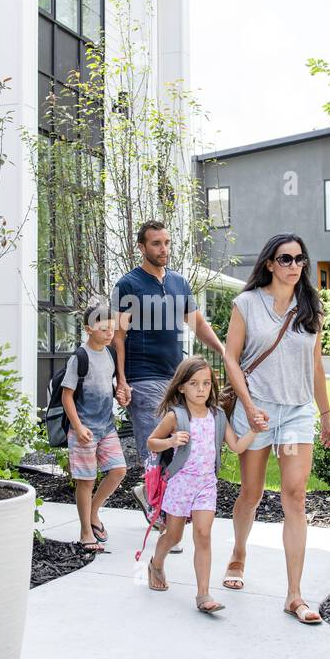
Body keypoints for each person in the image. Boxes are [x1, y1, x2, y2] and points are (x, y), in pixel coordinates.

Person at [221, 234, 330, 623]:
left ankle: (294, 595)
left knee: (295, 496)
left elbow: (315, 365)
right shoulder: (247, 304)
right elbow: (231, 359)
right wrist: (250, 406)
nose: (293, 265)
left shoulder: (310, 310)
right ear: (269, 263)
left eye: (299, 259)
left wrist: (325, 414)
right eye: (285, 259)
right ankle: (238, 553)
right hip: (258, 413)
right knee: (251, 493)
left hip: (296, 416)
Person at [111, 221, 226, 550]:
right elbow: (119, 334)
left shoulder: (179, 283)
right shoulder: (128, 284)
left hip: (175, 376)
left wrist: (222, 351)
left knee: (176, 447)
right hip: (142, 375)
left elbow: (197, 323)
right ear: (142, 247)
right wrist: (121, 377)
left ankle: (151, 495)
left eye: (167, 242)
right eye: (156, 243)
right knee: (156, 445)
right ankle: (160, 516)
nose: (163, 249)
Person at [145, 356, 256, 614]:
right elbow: (152, 442)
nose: (201, 389)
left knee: (203, 535)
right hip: (180, 483)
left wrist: (255, 431)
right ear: (181, 387)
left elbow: (237, 446)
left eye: (206, 383)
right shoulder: (176, 416)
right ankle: (156, 563)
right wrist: (171, 441)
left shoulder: (217, 416)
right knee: (173, 535)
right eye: (194, 383)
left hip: (206, 485)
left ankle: (203, 594)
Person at [61, 299, 127, 551]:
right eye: (104, 329)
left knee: (118, 470)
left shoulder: (109, 354)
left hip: (106, 426)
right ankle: (85, 531)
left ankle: (94, 512)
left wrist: (118, 393)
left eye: (112, 328)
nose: (110, 333)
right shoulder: (79, 357)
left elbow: (104, 385)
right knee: (85, 481)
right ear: (89, 329)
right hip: (84, 429)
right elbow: (67, 395)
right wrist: (78, 427)